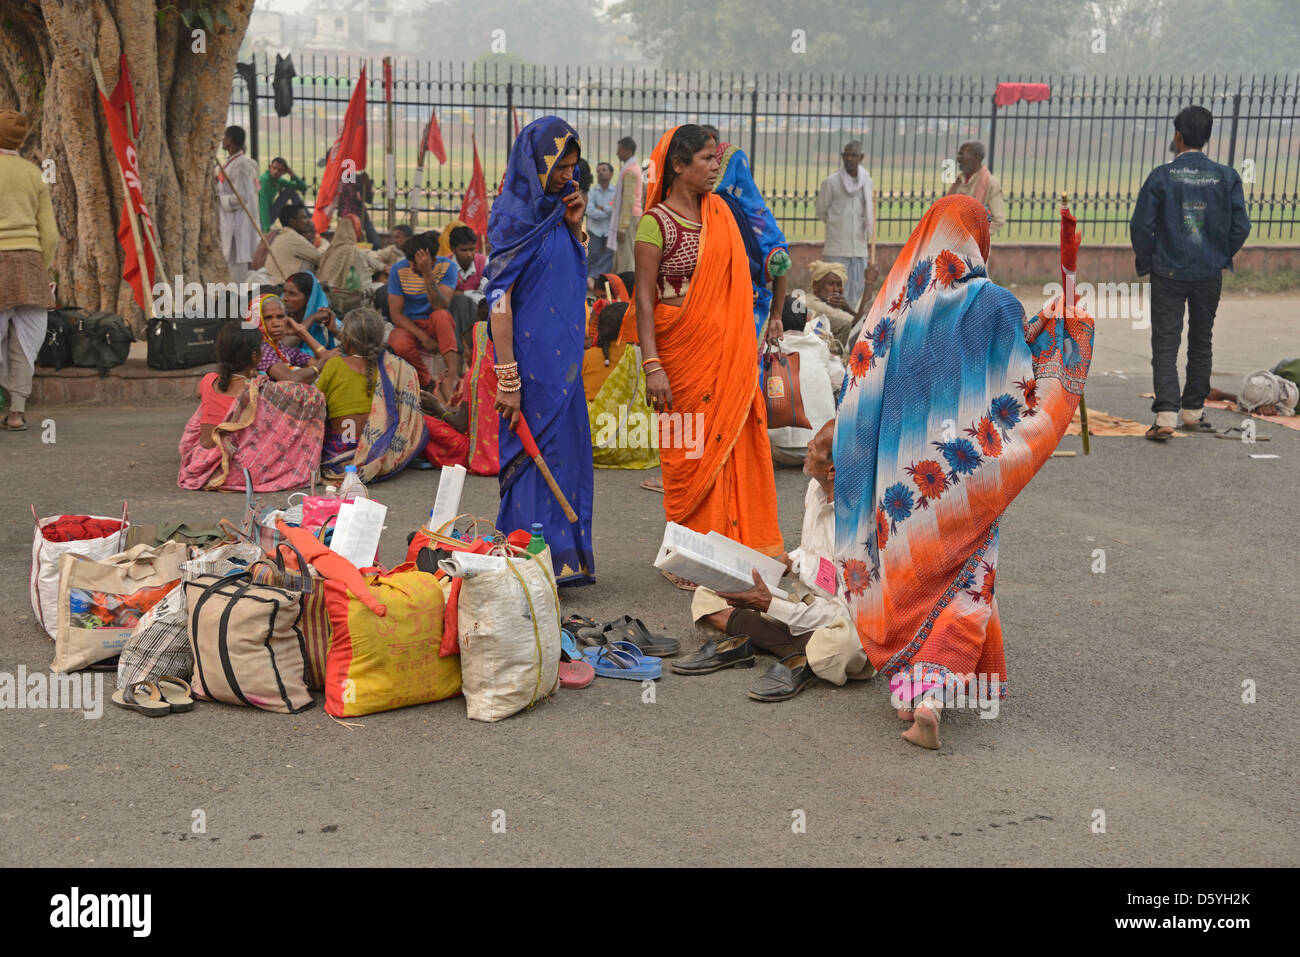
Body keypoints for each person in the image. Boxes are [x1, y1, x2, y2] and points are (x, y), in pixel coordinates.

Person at [834, 194, 1093, 750]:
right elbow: (1023, 389)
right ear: (976, 238)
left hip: (901, 478)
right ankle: (929, 697)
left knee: (912, 572)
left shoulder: (897, 306)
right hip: (961, 475)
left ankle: (914, 692)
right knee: (963, 579)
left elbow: (858, 384)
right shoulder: (997, 305)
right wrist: (1061, 337)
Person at [629, 124, 784, 585]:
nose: (717, 166)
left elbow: (746, 280)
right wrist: (651, 364)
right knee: (686, 451)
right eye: (706, 159)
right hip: (677, 353)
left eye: (717, 158)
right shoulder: (654, 223)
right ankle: (685, 551)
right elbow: (642, 299)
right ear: (679, 166)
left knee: (730, 447)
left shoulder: (721, 215)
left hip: (726, 355)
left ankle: (730, 549)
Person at [678, 421, 874, 700]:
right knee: (708, 595)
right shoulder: (816, 490)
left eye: (816, 446)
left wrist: (769, 605)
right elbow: (810, 552)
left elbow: (843, 611)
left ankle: (765, 642)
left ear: (832, 470)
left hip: (837, 616)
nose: (808, 446)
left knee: (843, 648)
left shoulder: (858, 529)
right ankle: (798, 653)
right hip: (803, 601)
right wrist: (784, 563)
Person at [485, 115, 595, 586]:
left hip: (565, 369)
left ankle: (562, 560)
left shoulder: (561, 211)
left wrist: (575, 227)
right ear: (535, 165)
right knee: (531, 465)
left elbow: (569, 277)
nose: (568, 177)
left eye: (573, 167)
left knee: (567, 457)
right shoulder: (511, 219)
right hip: (529, 372)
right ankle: (523, 563)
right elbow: (499, 302)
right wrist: (507, 379)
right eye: (559, 168)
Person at [1131, 105, 1251, 441]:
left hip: (1168, 271)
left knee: (1166, 343)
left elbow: (1142, 226)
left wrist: (1149, 261)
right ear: (1207, 136)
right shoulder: (1227, 177)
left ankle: (1166, 415)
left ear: (1179, 135)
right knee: (1202, 341)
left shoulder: (1161, 176)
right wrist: (1219, 255)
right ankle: (1194, 413)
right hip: (1208, 272)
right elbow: (1241, 226)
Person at [177, 316, 327, 492]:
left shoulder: (208, 381)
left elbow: (199, 394)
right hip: (243, 469)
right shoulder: (263, 390)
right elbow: (312, 397)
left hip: (202, 463)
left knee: (204, 408)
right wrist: (320, 365)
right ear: (255, 356)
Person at [700, 125, 791, 346]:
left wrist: (776, 316)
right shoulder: (680, 208)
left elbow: (779, 260)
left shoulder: (736, 210)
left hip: (743, 311)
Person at [318, 307, 428, 484]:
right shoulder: (396, 367)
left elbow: (317, 403)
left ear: (346, 339)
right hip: (379, 452)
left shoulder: (333, 365)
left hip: (339, 453)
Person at [0, 110, 55, 433]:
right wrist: (40, 264)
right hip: (31, 263)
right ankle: (17, 412)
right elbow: (50, 234)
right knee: (23, 341)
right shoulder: (34, 173)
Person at [421, 307, 501, 476]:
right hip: (499, 450)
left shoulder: (475, 376)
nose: (465, 355)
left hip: (471, 450)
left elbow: (462, 424)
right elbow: (472, 415)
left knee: (422, 422)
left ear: (478, 348)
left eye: (466, 349)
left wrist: (437, 407)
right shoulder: (496, 369)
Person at [767, 294, 845, 466]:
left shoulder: (768, 349)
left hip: (778, 449)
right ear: (807, 320)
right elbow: (839, 377)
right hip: (820, 449)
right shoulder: (819, 346)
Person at [386, 229, 460, 399]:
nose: (411, 268)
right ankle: (427, 382)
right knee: (398, 342)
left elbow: (440, 305)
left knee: (441, 315)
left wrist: (427, 274)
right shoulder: (398, 270)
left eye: (416, 263)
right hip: (410, 325)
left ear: (432, 260)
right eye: (410, 262)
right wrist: (423, 337)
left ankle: (451, 377)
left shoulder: (448, 267)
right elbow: (396, 315)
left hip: (435, 321)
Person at [816, 141, 875, 311]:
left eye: (854, 155)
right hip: (837, 247)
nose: (850, 159)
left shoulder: (866, 181)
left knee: (856, 294)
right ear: (842, 156)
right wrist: (838, 224)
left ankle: (851, 328)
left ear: (861, 157)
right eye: (846, 155)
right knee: (833, 295)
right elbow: (821, 211)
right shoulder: (831, 182)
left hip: (859, 248)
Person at [252, 292, 332, 383]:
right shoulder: (261, 349)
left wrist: (301, 332)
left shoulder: (281, 348)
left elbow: (330, 365)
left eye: (280, 317)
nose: (276, 324)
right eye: (268, 318)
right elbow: (293, 378)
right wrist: (320, 364)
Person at [216, 126, 260, 282]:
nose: (222, 140)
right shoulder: (230, 162)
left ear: (230, 140)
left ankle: (237, 301)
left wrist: (219, 200)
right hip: (227, 222)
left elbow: (242, 198)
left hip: (236, 226)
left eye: (225, 137)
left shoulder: (241, 164)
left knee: (236, 267)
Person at [948, 140, 1006, 237]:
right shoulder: (959, 181)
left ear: (976, 157)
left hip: (975, 247)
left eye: (962, 154)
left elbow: (998, 219)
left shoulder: (990, 183)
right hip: (952, 243)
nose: (958, 158)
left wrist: (973, 236)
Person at [797, 260, 857, 350]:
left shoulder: (823, 301)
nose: (836, 289)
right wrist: (869, 284)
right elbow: (856, 323)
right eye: (831, 284)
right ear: (815, 286)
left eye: (839, 285)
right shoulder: (813, 303)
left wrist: (846, 308)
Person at [609, 136, 644, 274]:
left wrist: (622, 228)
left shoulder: (630, 171)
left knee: (626, 257)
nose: (617, 153)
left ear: (628, 151)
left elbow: (628, 201)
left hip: (628, 219)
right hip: (633, 216)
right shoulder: (633, 168)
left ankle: (626, 286)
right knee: (626, 254)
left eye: (619, 150)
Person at [583, 302, 629, 401]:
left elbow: (567, 385)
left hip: (586, 415)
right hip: (623, 414)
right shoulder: (636, 360)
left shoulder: (586, 357)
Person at [282, 272, 339, 351]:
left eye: (292, 293)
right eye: (284, 292)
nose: (284, 298)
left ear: (309, 298)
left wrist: (335, 331)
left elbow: (352, 345)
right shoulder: (280, 320)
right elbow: (282, 346)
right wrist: (311, 318)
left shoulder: (328, 321)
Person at [267, 203, 322, 282]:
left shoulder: (284, 235)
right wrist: (324, 243)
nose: (307, 221)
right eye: (304, 218)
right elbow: (320, 259)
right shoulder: (293, 237)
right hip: (280, 287)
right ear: (292, 222)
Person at [258, 157, 307, 233]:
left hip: (268, 214)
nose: (276, 172)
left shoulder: (279, 181)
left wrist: (292, 174)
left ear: (284, 172)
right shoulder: (264, 180)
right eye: (274, 168)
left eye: (280, 170)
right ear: (269, 167)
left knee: (290, 190)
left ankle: (305, 219)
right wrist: (266, 229)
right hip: (257, 218)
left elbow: (303, 188)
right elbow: (263, 204)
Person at [586, 161, 616, 277]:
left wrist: (602, 208)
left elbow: (616, 210)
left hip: (610, 229)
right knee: (594, 255)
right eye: (598, 171)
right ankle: (591, 280)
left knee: (610, 255)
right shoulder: (592, 192)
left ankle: (599, 279)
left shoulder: (616, 191)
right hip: (595, 229)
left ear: (611, 174)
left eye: (604, 170)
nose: (600, 173)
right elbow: (589, 211)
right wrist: (608, 211)